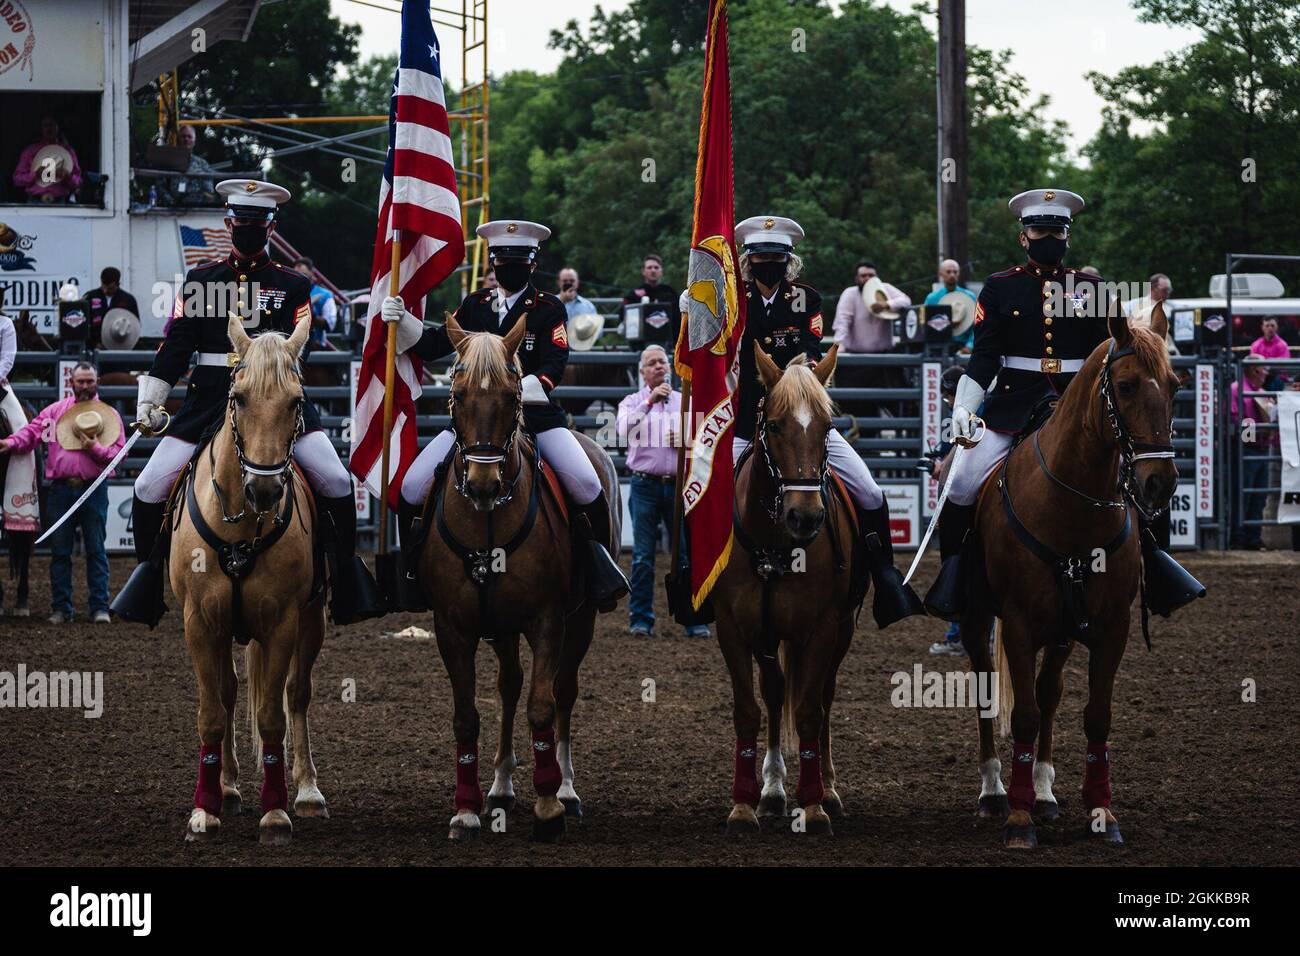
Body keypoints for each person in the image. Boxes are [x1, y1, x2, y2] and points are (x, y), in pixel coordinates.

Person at [110, 179, 381, 626]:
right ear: (228, 223)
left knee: (334, 479)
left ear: (271, 227)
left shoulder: (292, 285)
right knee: (148, 486)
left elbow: (302, 348)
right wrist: (154, 396)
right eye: (242, 223)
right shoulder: (200, 281)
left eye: (259, 223)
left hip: (275, 403)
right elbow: (176, 346)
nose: (249, 230)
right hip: (206, 403)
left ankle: (346, 579)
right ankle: (149, 579)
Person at [926, 187, 1201, 620]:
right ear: (1024, 236)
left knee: (1143, 478)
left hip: (1083, 407)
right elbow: (984, 357)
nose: (1048, 237)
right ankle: (958, 583)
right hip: (1014, 405)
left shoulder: (1093, 288)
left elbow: (1116, 352)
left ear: (1067, 237)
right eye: (1040, 229)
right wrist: (965, 406)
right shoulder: (1000, 287)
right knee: (960, 483)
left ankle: (1158, 571)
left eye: (1057, 230)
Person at [382, 219, 629, 611]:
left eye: (518, 261)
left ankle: (597, 571)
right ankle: (411, 577)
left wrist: (525, 388)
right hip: (474, 424)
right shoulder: (475, 306)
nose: (508, 268)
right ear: (493, 265)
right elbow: (434, 345)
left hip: (535, 417)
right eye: (501, 261)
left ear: (532, 264)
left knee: (587, 484)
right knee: (411, 488)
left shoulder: (548, 308)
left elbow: (555, 362)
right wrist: (404, 322)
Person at [731, 215, 921, 628]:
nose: (768, 264)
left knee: (870, 492)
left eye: (776, 257)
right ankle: (698, 582)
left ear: (787, 261)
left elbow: (811, 349)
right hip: (743, 421)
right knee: (705, 496)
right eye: (760, 256)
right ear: (748, 260)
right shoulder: (731, 298)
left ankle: (886, 581)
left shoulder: (805, 298)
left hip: (802, 420)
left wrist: (802, 380)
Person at [0, 362, 124, 623]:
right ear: (72, 383)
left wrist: (95, 449)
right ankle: (62, 607)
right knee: (60, 551)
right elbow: (32, 433)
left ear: (97, 382)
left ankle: (98, 606)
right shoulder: (55, 413)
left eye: (89, 381)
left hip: (92, 488)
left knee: (95, 550)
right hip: (61, 489)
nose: (85, 386)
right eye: (81, 381)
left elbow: (117, 455)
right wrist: (10, 442)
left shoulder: (108, 414)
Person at [617, 344, 706, 639]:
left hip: (679, 485)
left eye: (663, 362)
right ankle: (641, 619)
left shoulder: (686, 401)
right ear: (643, 372)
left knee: (683, 555)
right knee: (643, 556)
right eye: (652, 363)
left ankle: (692, 618)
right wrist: (650, 402)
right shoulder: (632, 401)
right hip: (644, 485)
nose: (659, 366)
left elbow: (705, 440)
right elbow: (622, 431)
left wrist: (688, 440)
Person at [832, 261, 912, 418]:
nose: (867, 279)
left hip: (884, 360)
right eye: (863, 276)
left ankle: (901, 439)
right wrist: (838, 345)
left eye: (871, 275)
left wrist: (886, 304)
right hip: (856, 360)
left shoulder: (885, 289)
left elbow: (906, 300)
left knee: (898, 403)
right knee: (855, 405)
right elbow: (843, 320)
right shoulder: (850, 293)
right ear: (857, 278)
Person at [1230, 359, 1276, 550]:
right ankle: (1239, 537)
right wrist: (1259, 429)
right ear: (1254, 370)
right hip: (1245, 449)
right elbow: (1234, 418)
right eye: (1263, 368)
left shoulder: (1261, 392)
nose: (1266, 372)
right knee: (1244, 495)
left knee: (1259, 496)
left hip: (1261, 449)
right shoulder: (1236, 389)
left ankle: (1253, 537)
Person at [12, 115, 82, 204]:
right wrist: (35, 174)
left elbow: (78, 181)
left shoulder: (68, 151)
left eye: (52, 125)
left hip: (59, 202)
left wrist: (68, 177)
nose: (49, 128)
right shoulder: (30, 151)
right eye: (45, 125)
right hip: (35, 201)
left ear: (58, 127)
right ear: (41, 129)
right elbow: (17, 179)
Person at [623, 254, 680, 349]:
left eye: (656, 267)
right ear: (643, 271)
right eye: (649, 267)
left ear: (661, 271)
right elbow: (623, 316)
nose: (653, 270)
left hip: (668, 344)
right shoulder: (634, 294)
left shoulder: (670, 292)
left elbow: (679, 318)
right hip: (641, 346)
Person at [923, 259, 978, 352]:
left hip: (963, 347)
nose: (952, 275)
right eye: (948, 272)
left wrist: (969, 346)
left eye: (955, 272)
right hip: (938, 347)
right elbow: (925, 323)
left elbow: (977, 325)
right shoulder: (932, 298)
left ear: (959, 274)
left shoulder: (970, 296)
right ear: (941, 274)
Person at [86, 267, 140, 349]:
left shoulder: (128, 300)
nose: (105, 291)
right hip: (94, 346)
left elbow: (135, 325)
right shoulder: (90, 297)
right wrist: (93, 343)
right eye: (103, 286)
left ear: (117, 284)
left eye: (110, 288)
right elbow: (84, 323)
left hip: (119, 345)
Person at [294, 257, 339, 348]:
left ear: (312, 273)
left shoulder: (325, 295)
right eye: (296, 274)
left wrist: (312, 315)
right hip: (291, 348)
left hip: (315, 348)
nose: (300, 278)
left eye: (303, 274)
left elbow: (330, 324)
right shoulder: (289, 293)